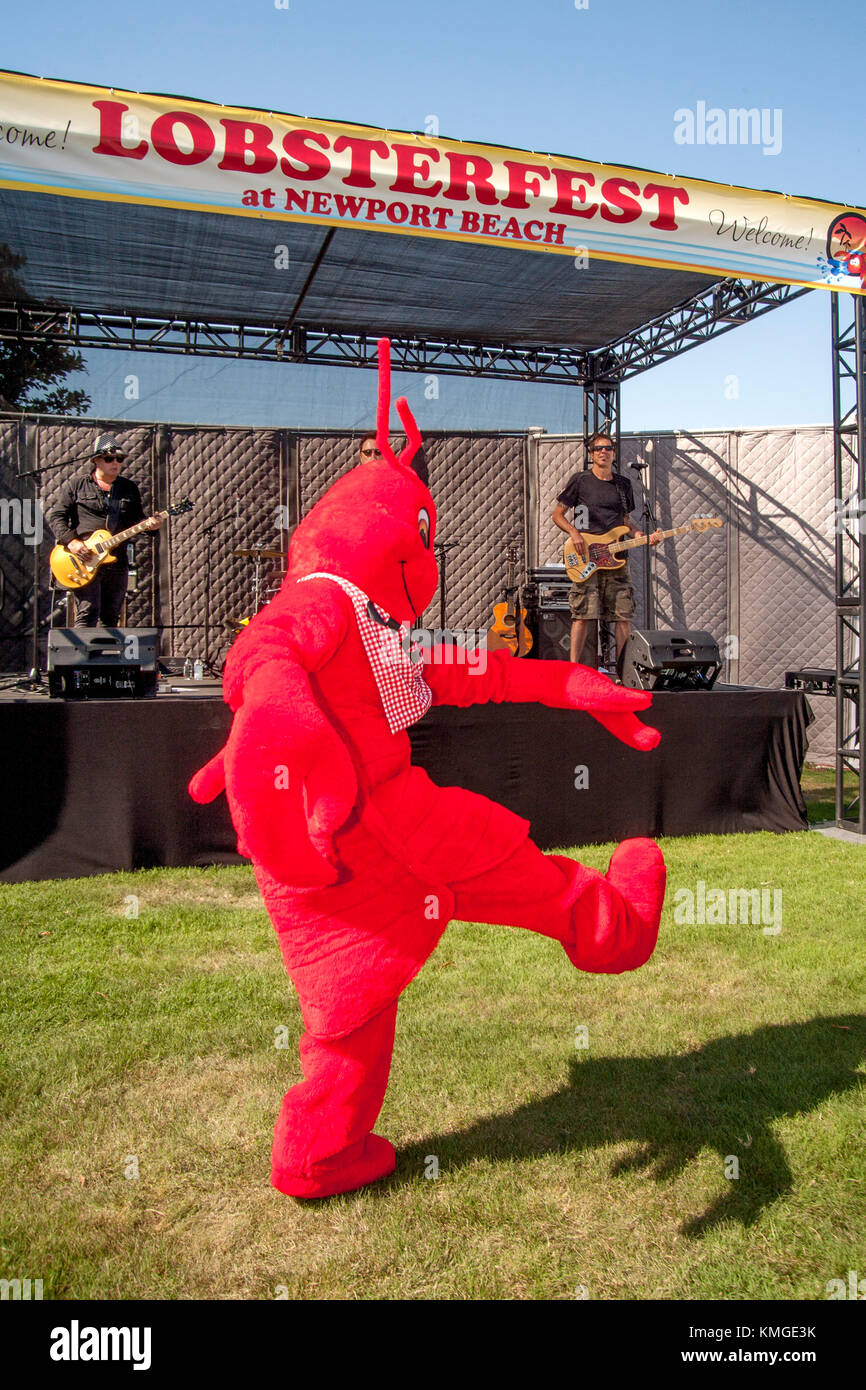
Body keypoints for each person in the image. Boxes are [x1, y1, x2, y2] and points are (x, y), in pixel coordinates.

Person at [552, 432, 661, 669]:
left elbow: (627, 522)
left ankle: (624, 671)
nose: (604, 452)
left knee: (623, 617)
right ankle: (574, 669)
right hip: (586, 557)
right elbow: (557, 514)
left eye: (608, 448)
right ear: (591, 454)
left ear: (613, 453)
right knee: (582, 615)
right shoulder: (580, 480)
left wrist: (641, 536)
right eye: (598, 449)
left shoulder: (623, 485)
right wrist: (574, 532)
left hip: (618, 560)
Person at [45, 433, 164, 628]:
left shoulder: (128, 488)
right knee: (87, 613)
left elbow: (137, 521)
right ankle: (82, 658)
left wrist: (151, 527)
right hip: (83, 557)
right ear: (96, 461)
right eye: (109, 459)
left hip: (116, 560)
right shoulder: (77, 485)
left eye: (119, 459)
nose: (115, 463)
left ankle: (104, 659)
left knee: (110, 617)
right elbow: (56, 516)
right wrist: (73, 542)